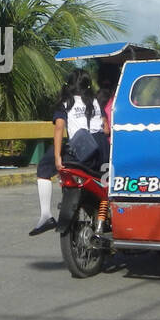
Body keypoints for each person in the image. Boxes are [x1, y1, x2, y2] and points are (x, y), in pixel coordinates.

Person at [29, 69, 106, 236]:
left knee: (43, 167)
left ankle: (46, 215)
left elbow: (59, 128)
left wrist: (57, 157)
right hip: (101, 149)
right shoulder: (96, 101)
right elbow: (106, 128)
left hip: (81, 148)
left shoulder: (66, 103)